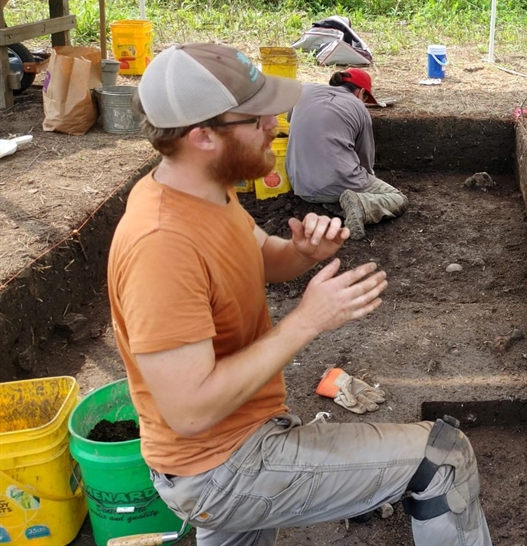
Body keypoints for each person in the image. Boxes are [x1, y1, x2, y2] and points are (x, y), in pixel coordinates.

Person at [108, 43, 491, 546]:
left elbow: (260, 254)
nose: (275, 122)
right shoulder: (161, 245)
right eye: (257, 116)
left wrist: (304, 252)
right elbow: (190, 410)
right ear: (202, 135)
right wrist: (309, 319)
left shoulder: (205, 189)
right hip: (220, 467)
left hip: (232, 443)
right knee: (443, 459)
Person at [285, 68, 408, 240]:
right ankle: (362, 204)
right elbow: (365, 160)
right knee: (398, 199)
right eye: (366, 99)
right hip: (339, 183)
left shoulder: (304, 91)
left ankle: (336, 205)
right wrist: (367, 182)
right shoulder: (359, 108)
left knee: (333, 194)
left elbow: (292, 122)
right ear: (362, 92)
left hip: (300, 185)